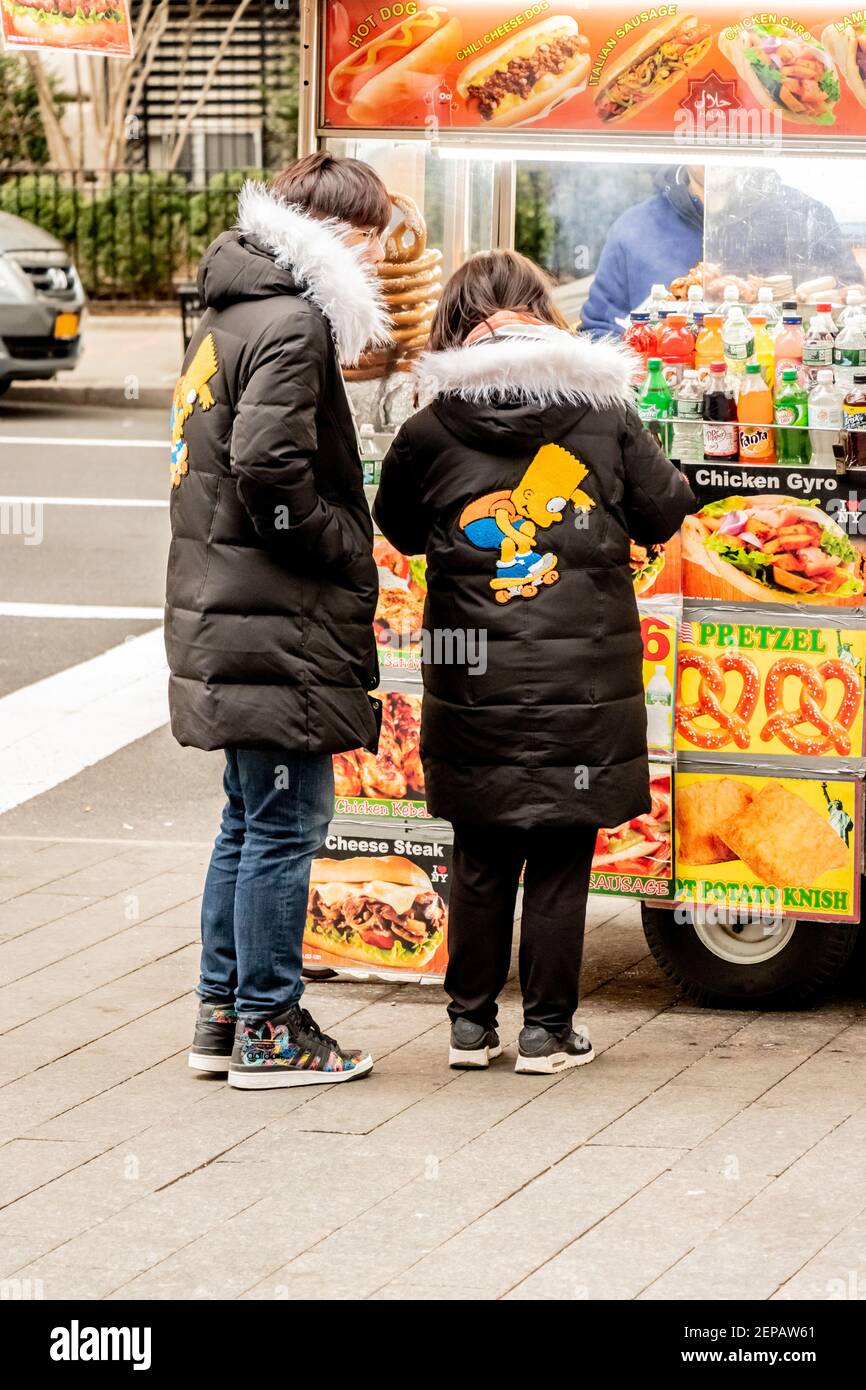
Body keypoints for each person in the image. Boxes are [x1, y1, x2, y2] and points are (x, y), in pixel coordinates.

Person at [374, 250, 694, 1074]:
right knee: (559, 855)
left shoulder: (429, 427)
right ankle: (548, 1032)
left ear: (455, 325)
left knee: (479, 852)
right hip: (581, 686)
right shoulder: (604, 411)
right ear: (543, 315)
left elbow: (403, 532)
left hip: (471, 676)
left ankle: (470, 1026)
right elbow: (664, 512)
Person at [165, 152, 393, 1089]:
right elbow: (266, 468)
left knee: (248, 818)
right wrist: (342, 540)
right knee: (287, 822)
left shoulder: (229, 313)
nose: (378, 258)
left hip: (231, 607)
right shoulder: (294, 321)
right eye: (372, 238)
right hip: (275, 619)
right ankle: (269, 1028)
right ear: (338, 232)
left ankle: (223, 1018)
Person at [582, 164, 863, 337]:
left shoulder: (805, 218)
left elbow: (856, 306)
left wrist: (829, 307)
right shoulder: (635, 228)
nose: (716, 148)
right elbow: (598, 330)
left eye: (730, 133)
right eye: (703, 135)